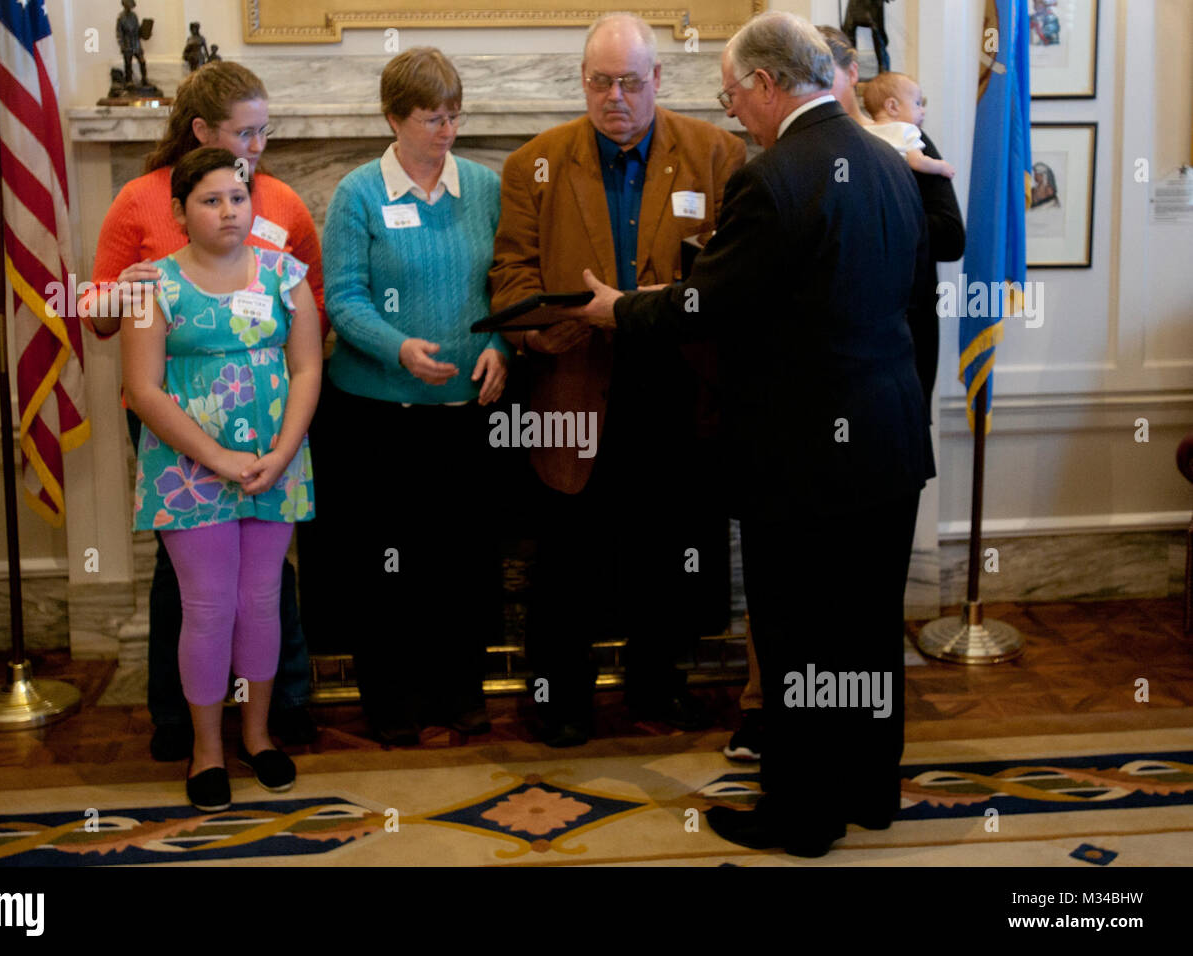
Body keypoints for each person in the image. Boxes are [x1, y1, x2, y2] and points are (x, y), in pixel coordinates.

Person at [574, 10, 934, 857]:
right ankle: (869, 788)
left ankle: (803, 813)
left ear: (770, 86)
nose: (732, 111)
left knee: (801, 630)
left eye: (735, 93)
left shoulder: (772, 179)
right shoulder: (891, 164)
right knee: (867, 624)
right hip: (887, 434)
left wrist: (619, 309)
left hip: (804, 452)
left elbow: (710, 305)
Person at [490, 13, 747, 749]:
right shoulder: (534, 164)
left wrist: (650, 312)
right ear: (584, 81)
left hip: (676, 384)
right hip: (573, 381)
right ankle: (560, 701)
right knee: (568, 557)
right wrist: (536, 330)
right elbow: (509, 275)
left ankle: (657, 690)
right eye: (600, 82)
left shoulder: (716, 154)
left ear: (657, 81)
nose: (614, 98)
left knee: (668, 552)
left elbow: (731, 277)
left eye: (630, 82)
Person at [82, 61, 326, 761]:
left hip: (271, 426)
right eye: (244, 132)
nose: (255, 148)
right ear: (200, 133)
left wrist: (284, 436)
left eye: (264, 133)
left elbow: (308, 314)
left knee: (264, 588)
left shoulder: (279, 201)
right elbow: (100, 314)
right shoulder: (140, 201)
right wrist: (121, 299)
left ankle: (273, 713)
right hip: (179, 429)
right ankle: (186, 725)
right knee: (193, 587)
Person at [315, 47, 508, 746]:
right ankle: (393, 704)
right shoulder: (359, 194)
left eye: (455, 117)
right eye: (432, 119)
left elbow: (507, 288)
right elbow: (341, 298)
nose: (447, 132)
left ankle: (461, 695)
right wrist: (398, 347)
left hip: (464, 418)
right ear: (392, 117)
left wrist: (502, 348)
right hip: (378, 419)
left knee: (461, 564)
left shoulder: (485, 187)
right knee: (387, 567)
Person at [121, 147, 321, 811]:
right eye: (211, 200)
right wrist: (219, 458)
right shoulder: (152, 284)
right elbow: (142, 389)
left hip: (275, 462)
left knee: (261, 600)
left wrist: (283, 451)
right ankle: (207, 750)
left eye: (238, 197)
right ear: (180, 212)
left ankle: (258, 736)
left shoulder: (286, 274)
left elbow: (307, 370)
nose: (229, 210)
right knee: (209, 607)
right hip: (187, 469)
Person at [822, 26, 965, 407]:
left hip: (904, 334)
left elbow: (951, 238)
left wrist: (876, 220)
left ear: (851, 72)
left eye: (823, 74)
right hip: (830, 351)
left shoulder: (908, 138)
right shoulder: (808, 150)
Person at [861, 71, 955, 179]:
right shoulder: (907, 130)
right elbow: (917, 161)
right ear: (892, 107)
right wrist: (941, 167)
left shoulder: (864, 132)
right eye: (917, 103)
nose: (923, 111)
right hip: (897, 184)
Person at [116, 0, 148, 88]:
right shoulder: (121, 17)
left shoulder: (134, 16)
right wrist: (122, 45)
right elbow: (119, 34)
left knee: (142, 61)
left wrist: (145, 32)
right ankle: (129, 81)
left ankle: (144, 79)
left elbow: (138, 30)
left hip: (136, 43)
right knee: (128, 64)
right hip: (127, 44)